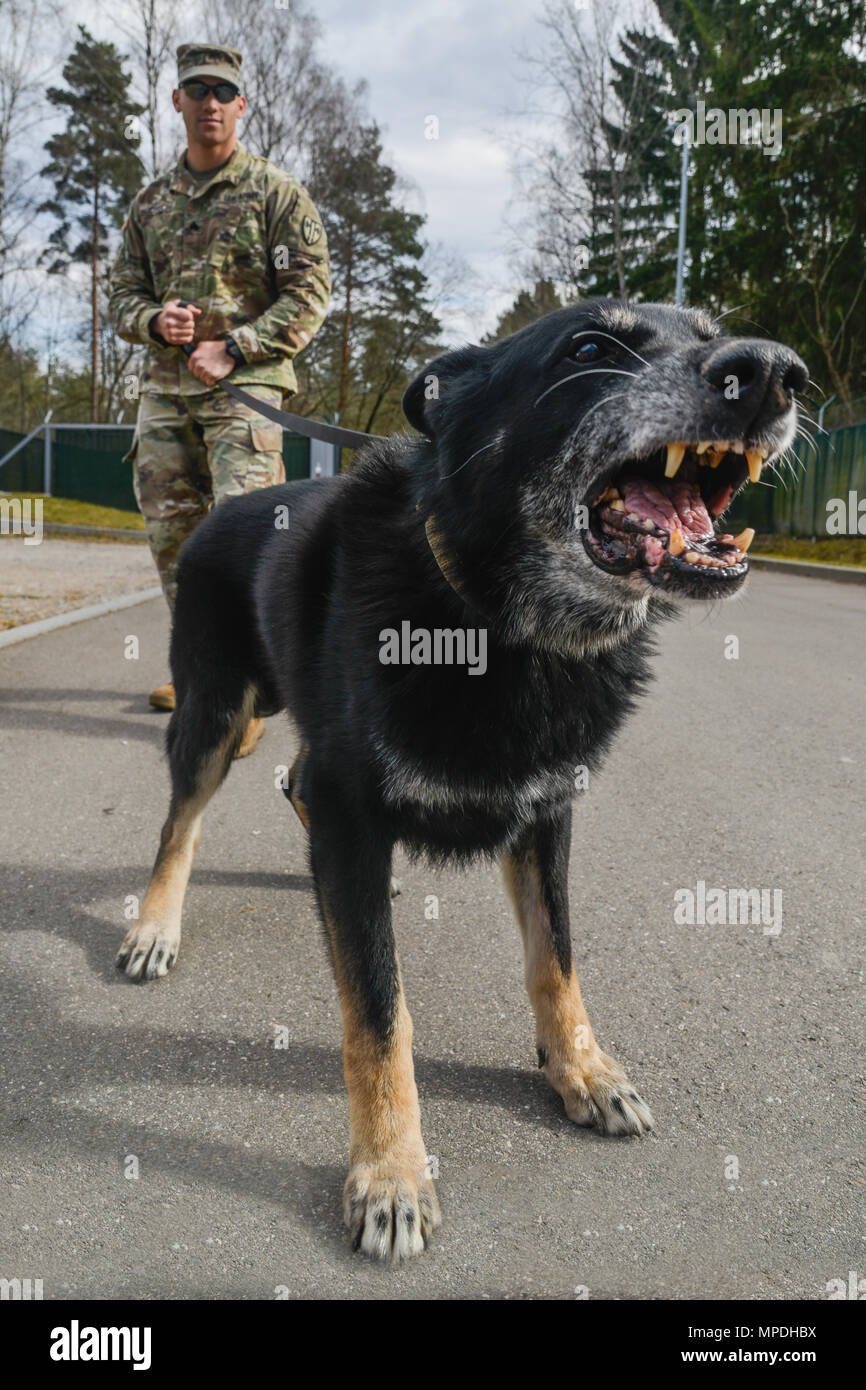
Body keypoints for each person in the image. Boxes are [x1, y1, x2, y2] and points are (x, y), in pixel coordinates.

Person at [109, 43, 331, 755]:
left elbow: (311, 295)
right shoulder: (149, 204)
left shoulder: (276, 193)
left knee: (247, 536)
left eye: (223, 92)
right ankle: (204, 672)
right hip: (166, 394)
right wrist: (153, 322)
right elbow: (120, 294)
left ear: (241, 105)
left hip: (247, 391)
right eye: (196, 89)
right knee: (174, 543)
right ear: (176, 101)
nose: (209, 102)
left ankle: (255, 690)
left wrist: (233, 346)